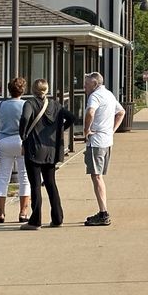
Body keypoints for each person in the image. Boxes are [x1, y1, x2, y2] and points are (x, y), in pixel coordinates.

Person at [19, 78, 76, 229]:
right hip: (51, 150)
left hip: (33, 149)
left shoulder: (30, 103)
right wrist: (59, 131)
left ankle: (35, 220)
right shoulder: (55, 105)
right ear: (47, 89)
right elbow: (72, 117)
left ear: (33, 90)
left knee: (35, 185)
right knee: (51, 184)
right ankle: (57, 218)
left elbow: (25, 117)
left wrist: (23, 135)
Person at [82, 72, 125, 226]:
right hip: (106, 141)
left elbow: (90, 112)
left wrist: (86, 130)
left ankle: (103, 212)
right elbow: (121, 112)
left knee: (97, 176)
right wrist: (111, 130)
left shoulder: (95, 96)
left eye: (86, 84)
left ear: (94, 84)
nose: (84, 87)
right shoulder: (109, 95)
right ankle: (102, 211)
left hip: (97, 142)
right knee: (98, 175)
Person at [0, 77, 31, 223]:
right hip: (21, 141)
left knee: (3, 178)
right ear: (23, 90)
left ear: (9, 90)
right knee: (24, 178)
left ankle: (1, 213)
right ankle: (23, 212)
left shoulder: (1, 104)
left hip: (4, 141)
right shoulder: (26, 104)